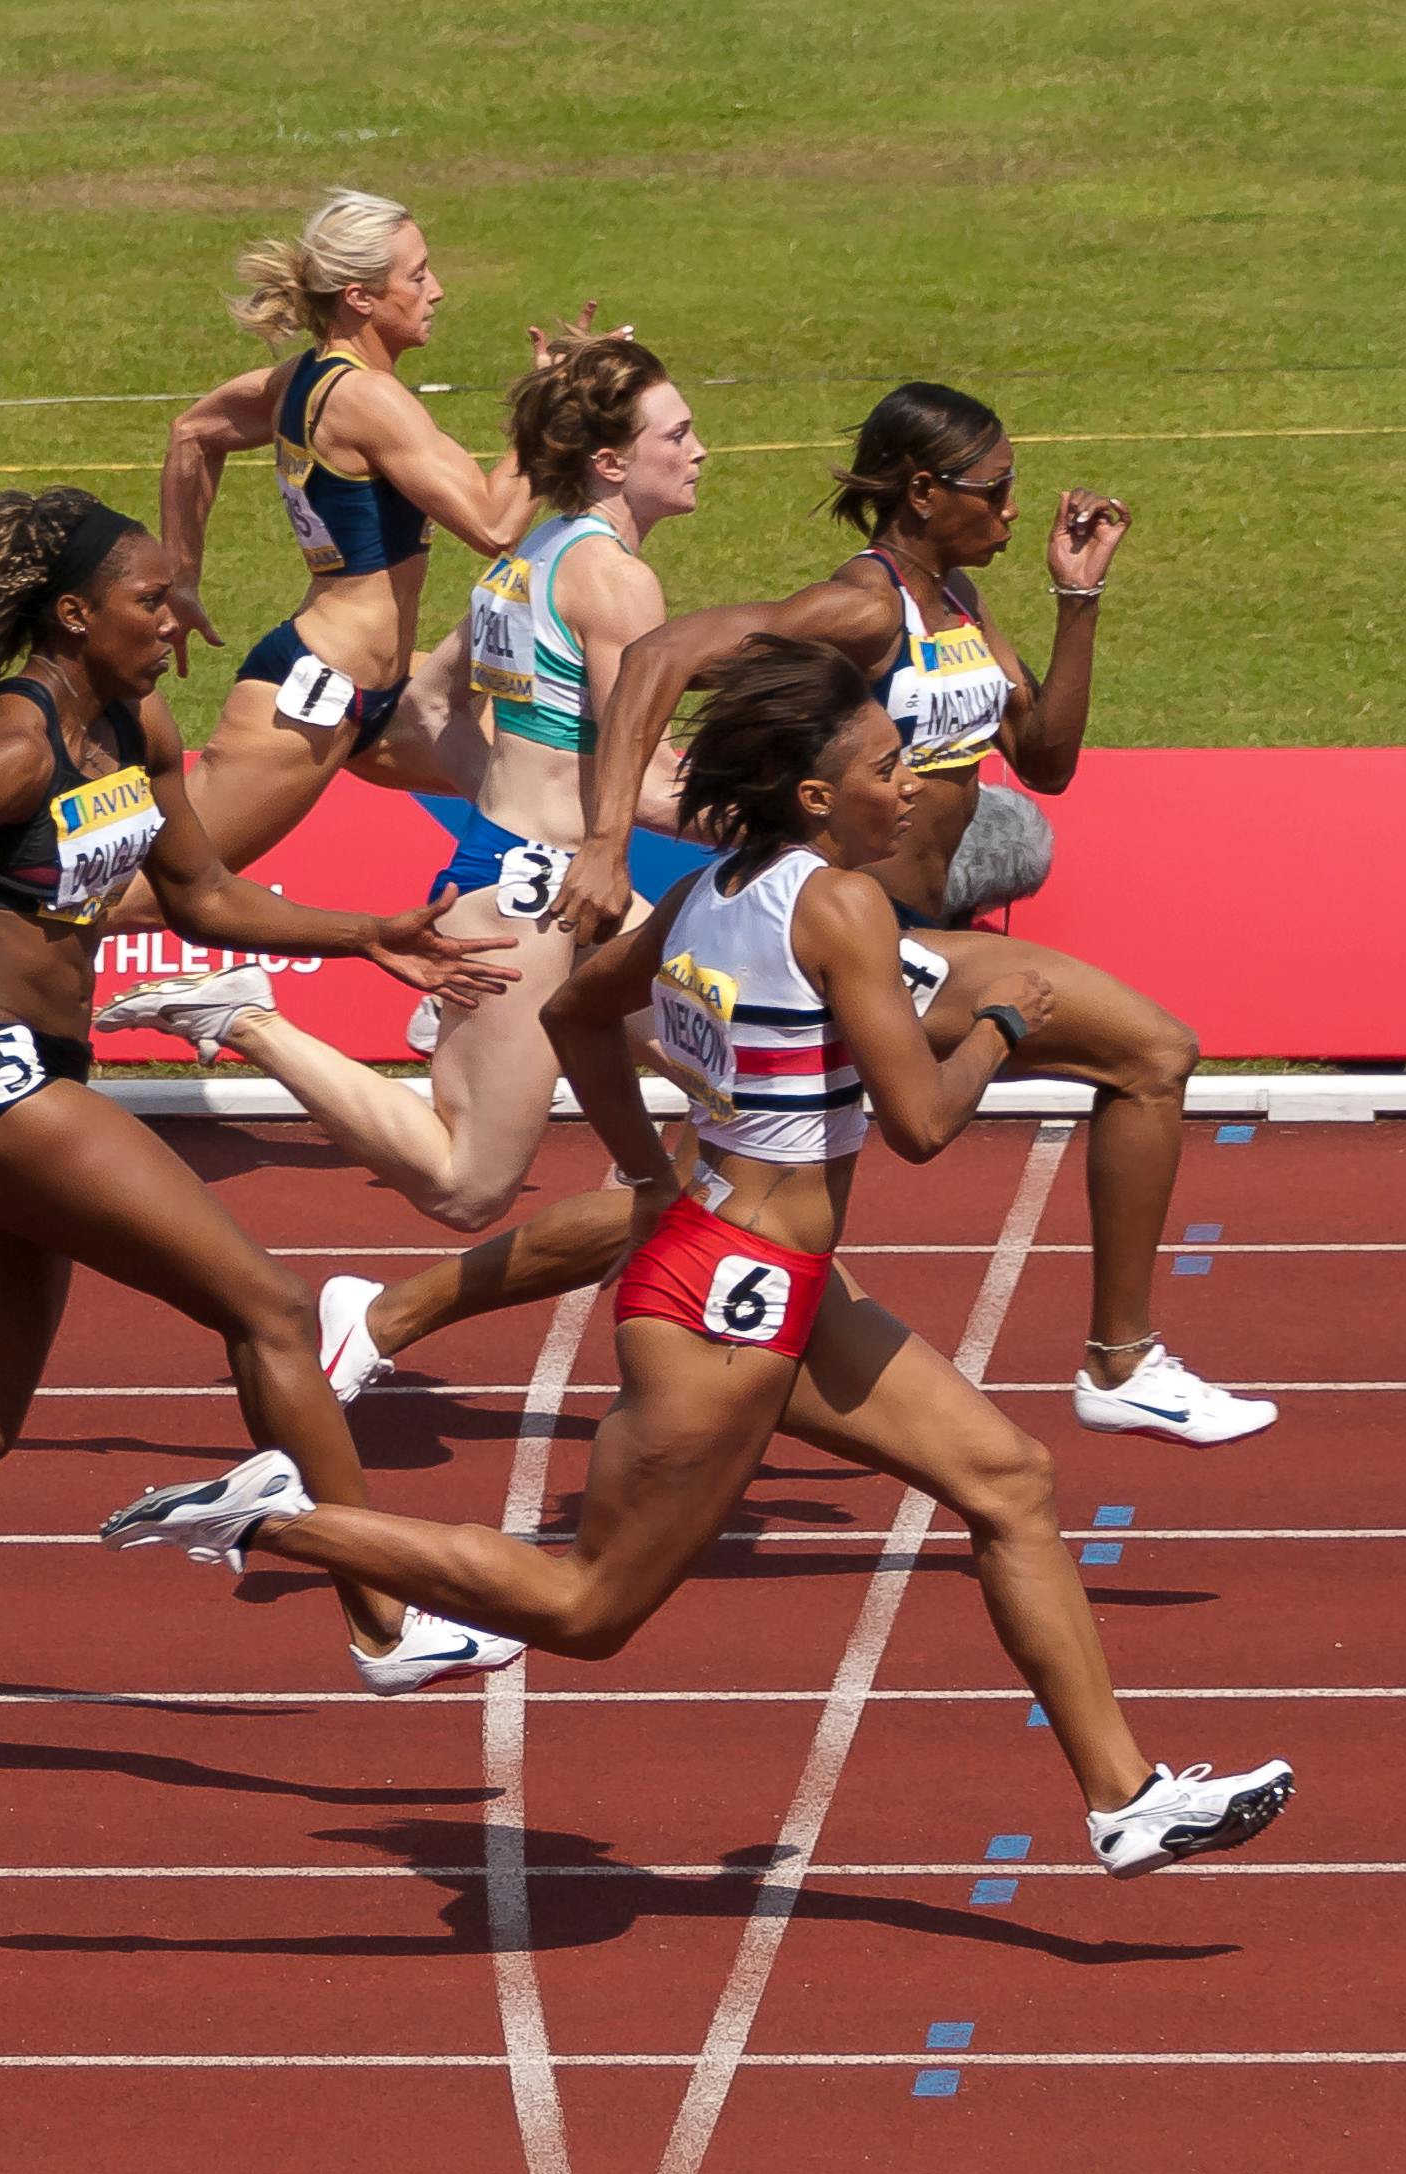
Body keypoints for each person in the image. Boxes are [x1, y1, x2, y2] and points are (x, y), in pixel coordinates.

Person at [104, 639, 1295, 1875]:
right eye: (889, 768)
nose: (916, 787)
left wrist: (645, 1171)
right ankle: (281, 1521)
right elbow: (923, 1124)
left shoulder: (711, 892)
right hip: (728, 1297)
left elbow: (575, 1009)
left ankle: (1126, 1798)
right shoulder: (837, 905)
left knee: (1010, 1482)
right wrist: (1002, 1024)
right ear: (817, 796)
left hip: (753, 1267)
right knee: (585, 1607)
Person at [0, 482, 527, 1695]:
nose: (177, 617)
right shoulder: (11, 740)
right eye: (150, 599)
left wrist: (363, 934)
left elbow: (203, 897)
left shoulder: (138, 726)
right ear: (75, 615)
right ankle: (385, 1623)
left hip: (47, 1075)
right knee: (274, 1311)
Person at [530, 380, 1268, 1445]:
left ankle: (386, 1316)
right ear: (922, 493)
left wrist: (1078, 599)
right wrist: (606, 845)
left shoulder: (960, 607)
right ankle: (1119, 1359)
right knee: (1151, 1053)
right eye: (996, 489)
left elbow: (1047, 760)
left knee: (702, 1194)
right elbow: (655, 657)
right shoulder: (867, 606)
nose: (1015, 511)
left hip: (899, 931)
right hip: (850, 930)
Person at [0, 191, 568, 1067]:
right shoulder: (367, 401)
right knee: (162, 885)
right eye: (418, 276)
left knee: (543, 791)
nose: (439, 290)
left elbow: (194, 433)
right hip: (316, 697)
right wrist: (557, 409)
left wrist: (182, 582)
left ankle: (468, 995)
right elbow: (493, 524)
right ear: (361, 299)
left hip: (384, 689)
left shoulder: (303, 381)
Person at [99, 334, 705, 1263]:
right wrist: (792, 819)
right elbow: (654, 783)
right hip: (530, 906)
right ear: (613, 460)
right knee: (466, 1185)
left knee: (735, 1073)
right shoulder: (618, 582)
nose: (699, 451)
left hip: (550, 883)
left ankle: (728, 1271)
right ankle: (242, 1014)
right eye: (680, 433)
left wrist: (519, 803)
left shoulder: (531, 554)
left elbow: (428, 707)